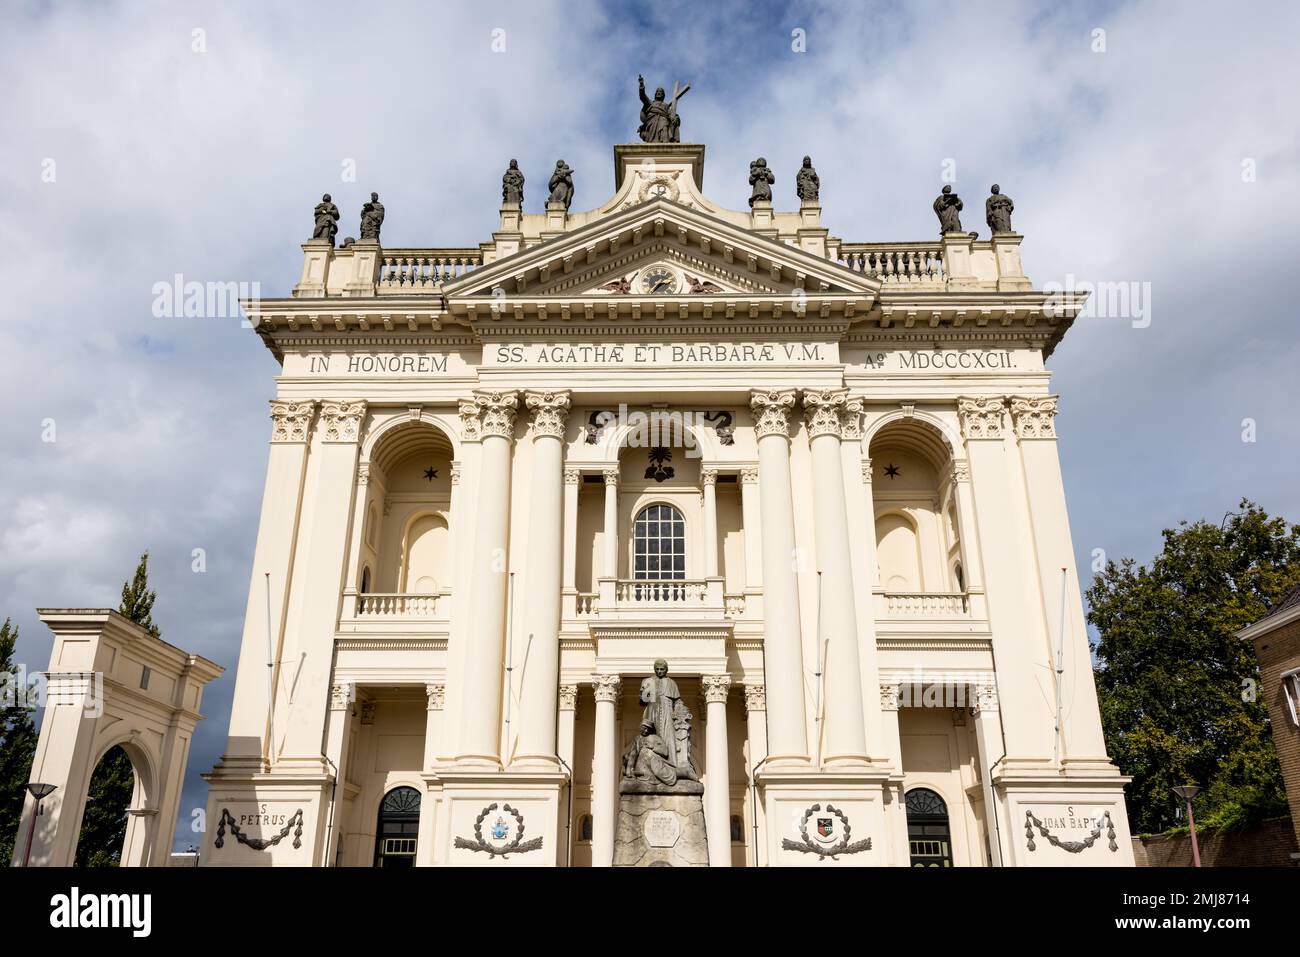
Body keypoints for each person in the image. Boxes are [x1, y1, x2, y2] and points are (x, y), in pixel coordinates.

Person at [639, 659, 682, 768]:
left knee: (669, 737)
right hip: (652, 711)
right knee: (651, 737)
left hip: (667, 711)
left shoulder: (672, 683)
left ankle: (671, 764)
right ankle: (650, 764)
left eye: (662, 669)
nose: (659, 671)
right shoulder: (649, 681)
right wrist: (643, 693)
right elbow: (642, 702)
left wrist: (679, 711)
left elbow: (677, 701)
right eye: (657, 669)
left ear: (666, 670)